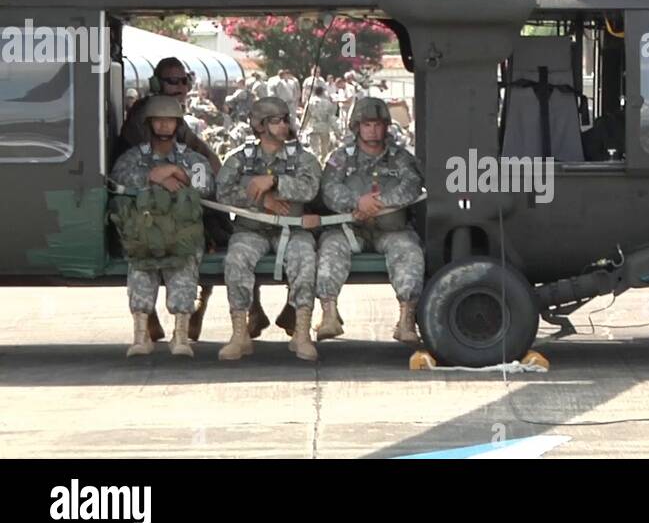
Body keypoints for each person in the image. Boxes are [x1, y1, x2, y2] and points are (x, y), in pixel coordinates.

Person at [115, 58, 224, 343]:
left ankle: (188, 316)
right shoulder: (147, 115)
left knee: (211, 233)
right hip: (147, 211)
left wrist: (188, 173)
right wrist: (161, 173)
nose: (179, 86)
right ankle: (146, 319)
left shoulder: (176, 120)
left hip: (180, 213)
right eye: (171, 81)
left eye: (183, 80)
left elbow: (205, 161)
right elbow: (134, 166)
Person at [216, 98, 323, 362]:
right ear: (260, 125)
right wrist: (261, 199)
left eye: (286, 119)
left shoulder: (302, 158)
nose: (284, 125)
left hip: (292, 229)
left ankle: (301, 332)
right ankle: (240, 333)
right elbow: (222, 192)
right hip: (252, 230)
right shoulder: (240, 158)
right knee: (236, 259)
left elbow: (310, 187)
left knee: (305, 258)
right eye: (277, 120)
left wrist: (275, 181)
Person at [314, 98, 425, 344]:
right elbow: (329, 188)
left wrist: (380, 202)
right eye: (367, 124)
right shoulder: (341, 158)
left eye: (377, 124)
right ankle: (329, 315)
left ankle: (406, 321)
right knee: (330, 248)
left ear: (386, 126)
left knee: (409, 252)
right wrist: (357, 202)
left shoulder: (400, 157)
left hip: (392, 230)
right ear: (356, 127)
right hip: (351, 229)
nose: (373, 130)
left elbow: (413, 184)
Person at [304, 85, 339, 160]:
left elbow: (306, 117)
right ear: (322, 92)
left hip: (313, 127)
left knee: (314, 149)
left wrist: (302, 128)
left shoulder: (310, 102)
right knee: (324, 148)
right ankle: (323, 162)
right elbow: (331, 118)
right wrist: (336, 131)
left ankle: (315, 162)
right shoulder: (327, 103)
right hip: (324, 128)